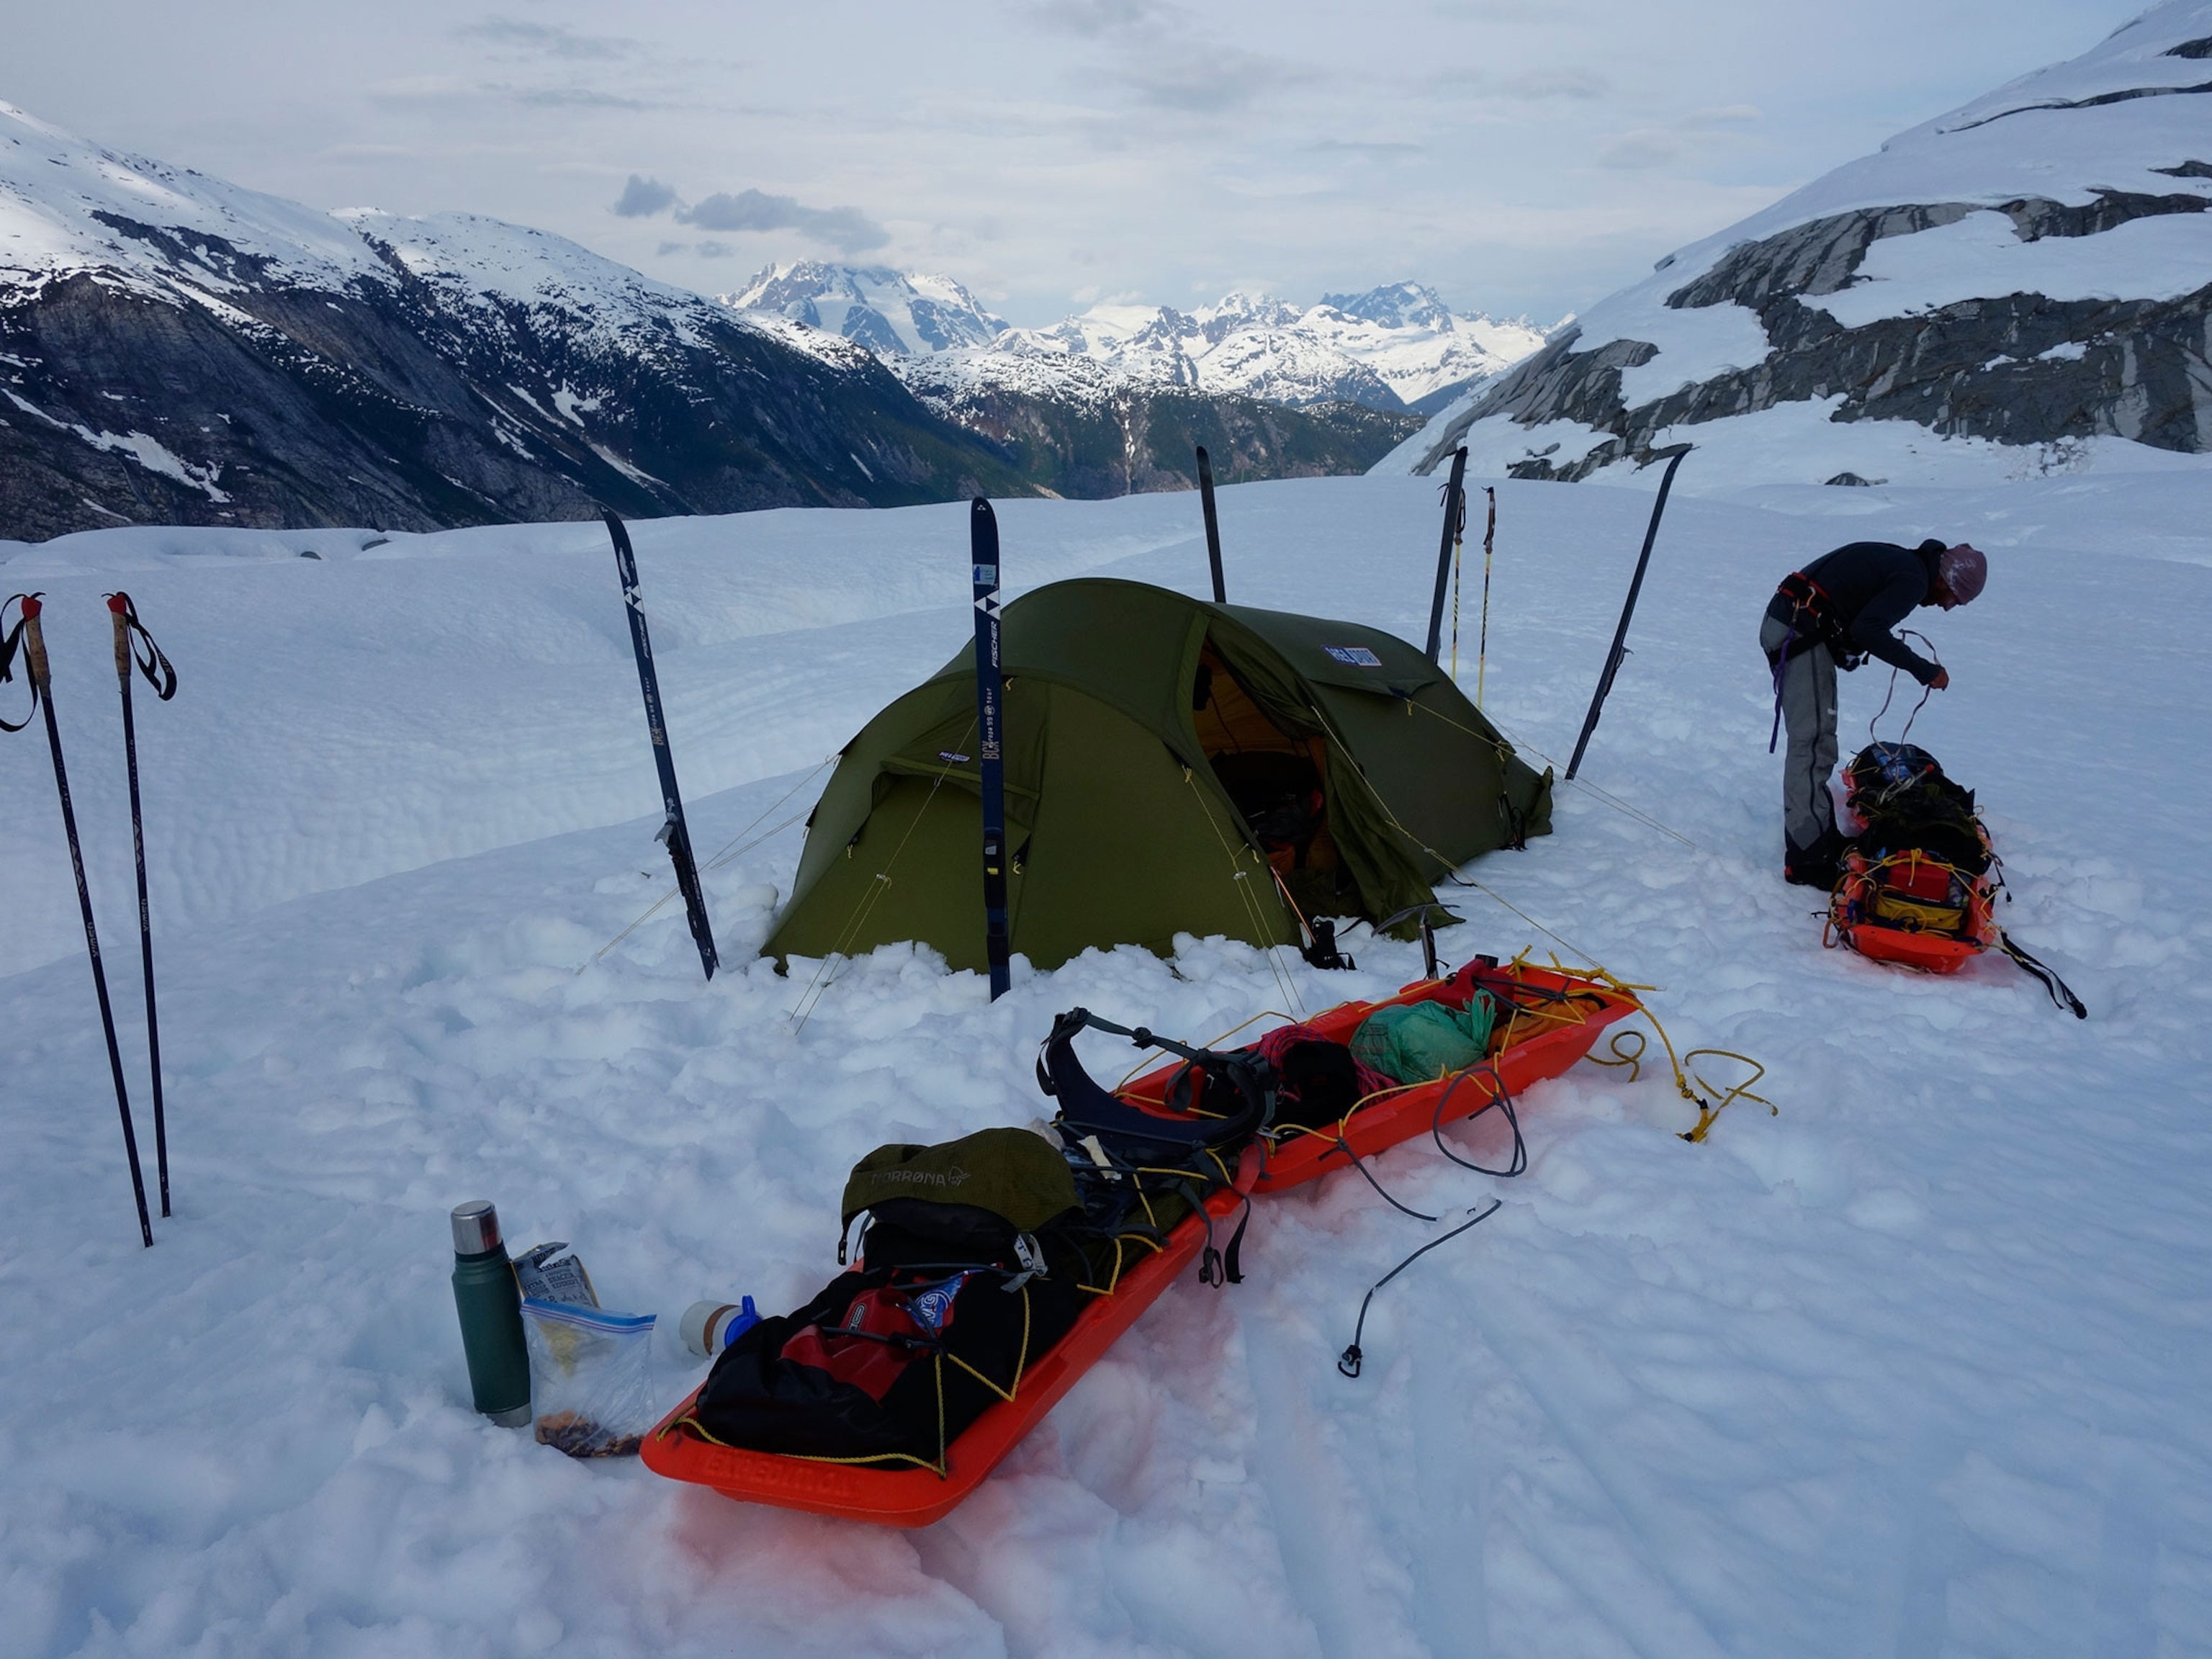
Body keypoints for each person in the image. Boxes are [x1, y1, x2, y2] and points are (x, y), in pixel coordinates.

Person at [1760, 539, 1987, 887]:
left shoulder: (1904, 563)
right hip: (1798, 630)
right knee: (1812, 742)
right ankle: (1808, 860)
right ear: (1947, 580)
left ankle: (1820, 840)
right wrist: (1924, 669)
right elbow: (1868, 628)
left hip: (1798, 625)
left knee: (1819, 740)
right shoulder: (1913, 578)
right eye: (1955, 599)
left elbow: (1852, 613)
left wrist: (1845, 647)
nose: (1947, 607)